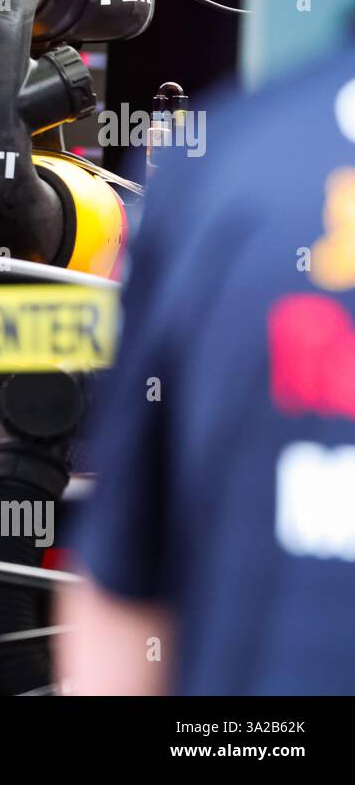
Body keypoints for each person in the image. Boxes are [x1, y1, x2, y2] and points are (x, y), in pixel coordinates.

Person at [56, 45, 355, 694]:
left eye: (171, 132)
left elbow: (118, 610)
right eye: (157, 134)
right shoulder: (184, 195)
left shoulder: (225, 166)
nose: (162, 145)